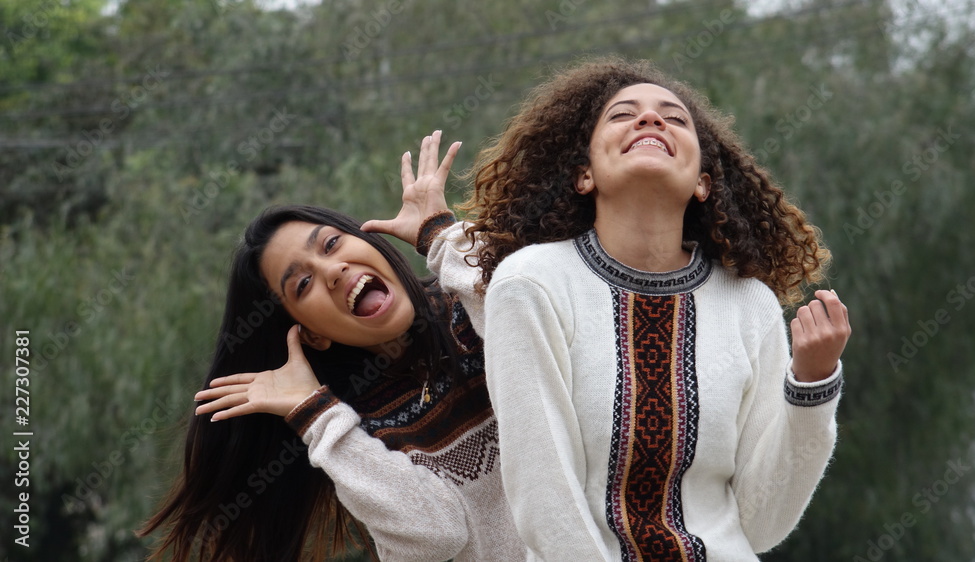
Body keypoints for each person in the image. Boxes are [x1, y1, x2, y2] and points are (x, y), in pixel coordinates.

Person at [410, 57, 852, 560]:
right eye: (623, 115)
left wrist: (813, 385)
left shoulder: (751, 305)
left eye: (675, 117)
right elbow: (543, 494)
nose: (650, 119)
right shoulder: (531, 284)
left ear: (703, 183)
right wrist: (437, 235)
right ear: (584, 176)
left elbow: (761, 522)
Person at [138, 134, 524, 562]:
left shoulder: (469, 300)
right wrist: (316, 414)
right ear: (312, 335)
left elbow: (543, 347)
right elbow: (436, 535)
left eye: (331, 244)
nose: (333, 269)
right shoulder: (349, 426)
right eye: (302, 284)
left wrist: (442, 236)